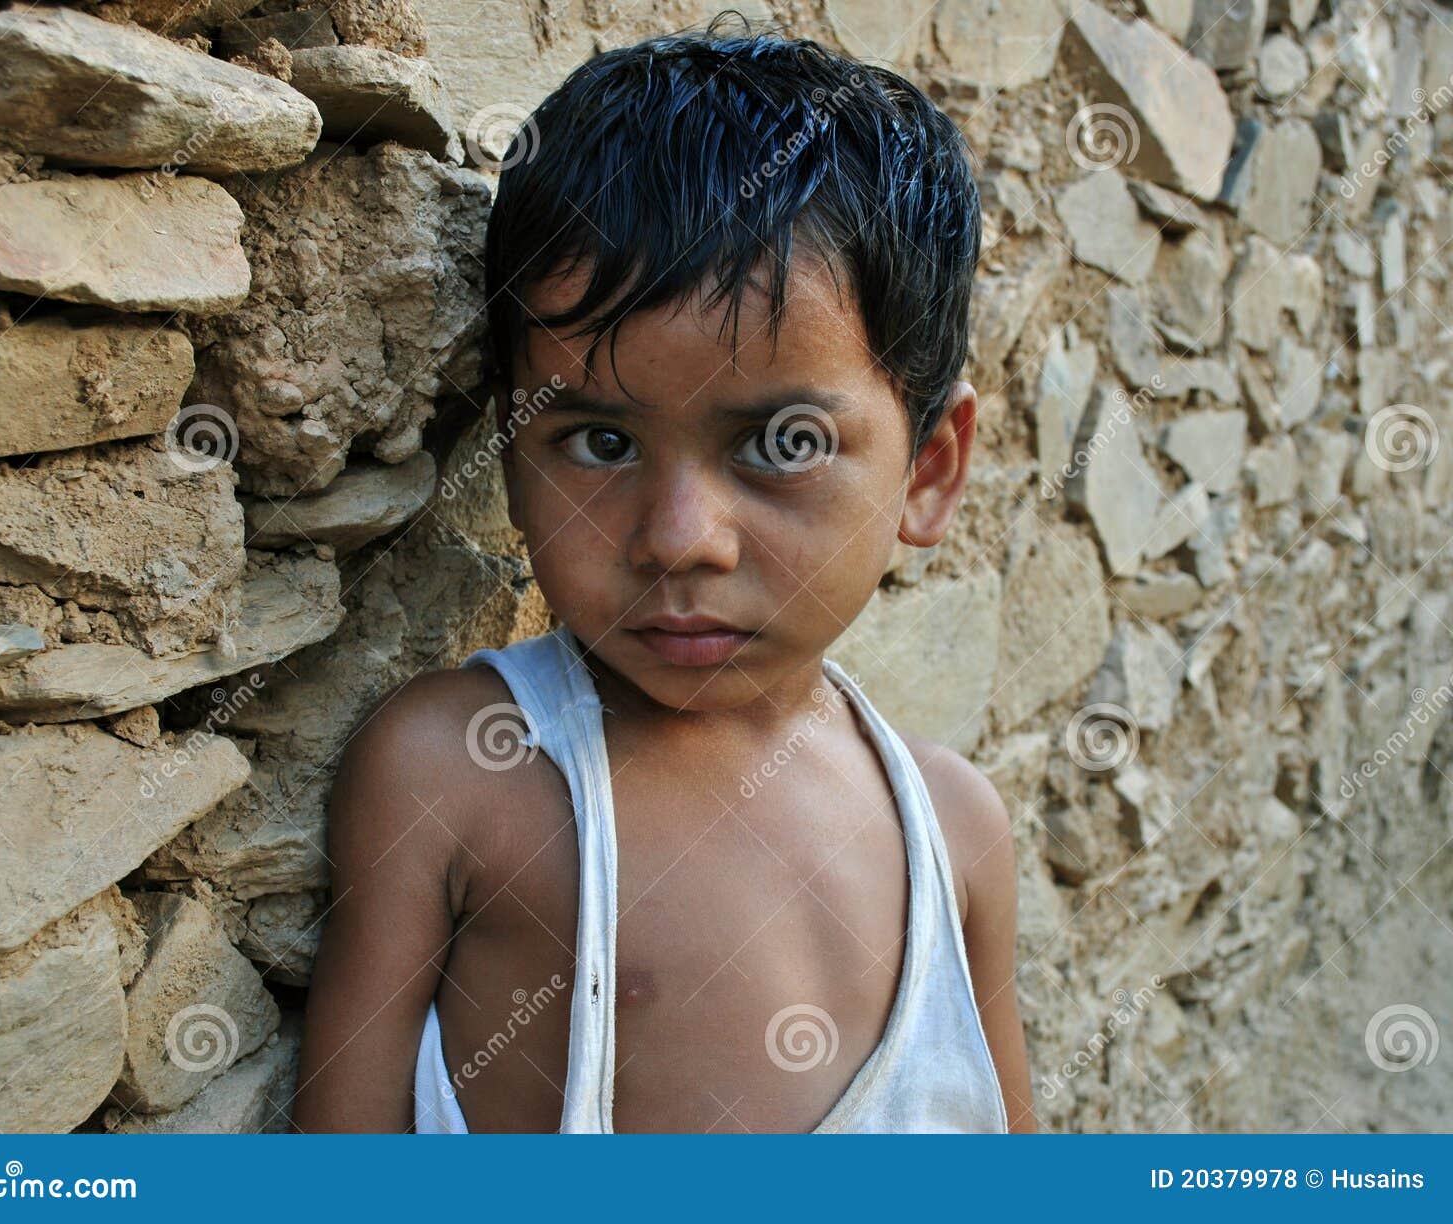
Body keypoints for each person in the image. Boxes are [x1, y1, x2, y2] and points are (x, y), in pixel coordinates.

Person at [293, 11, 1035, 1134]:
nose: (680, 538)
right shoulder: (462, 781)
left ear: (928, 472)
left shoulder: (954, 829)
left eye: (782, 444)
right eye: (598, 442)